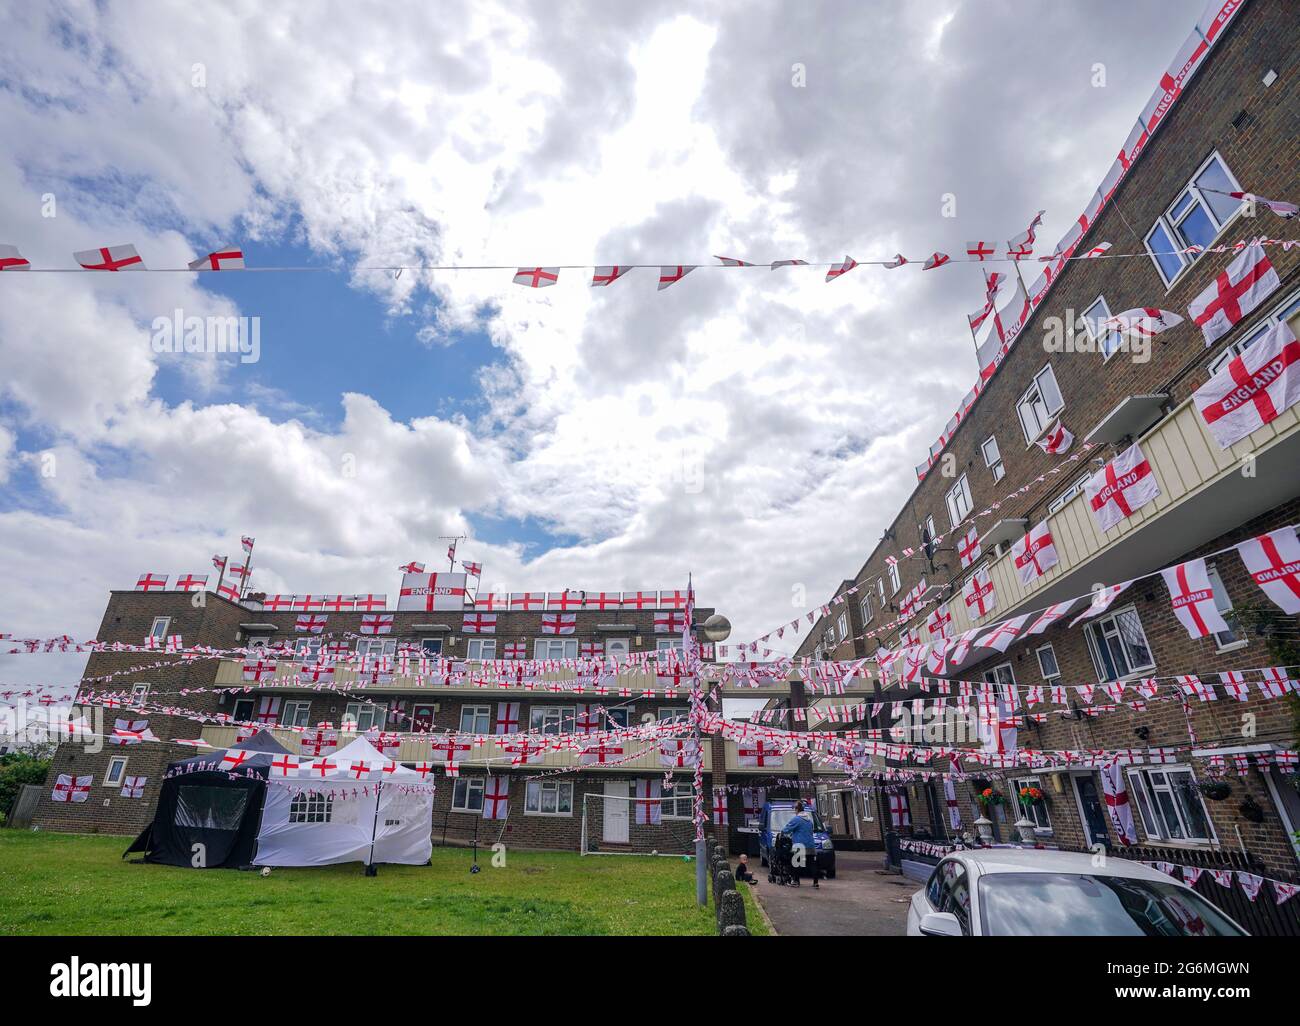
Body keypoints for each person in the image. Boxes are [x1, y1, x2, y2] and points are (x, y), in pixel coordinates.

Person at [781, 800, 821, 888]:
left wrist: (783, 833)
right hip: (810, 844)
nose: (794, 811)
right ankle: (815, 882)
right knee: (812, 864)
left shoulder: (797, 819)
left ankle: (796, 881)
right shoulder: (809, 820)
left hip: (799, 844)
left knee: (796, 864)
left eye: (795, 809)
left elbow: (786, 829)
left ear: (797, 809)